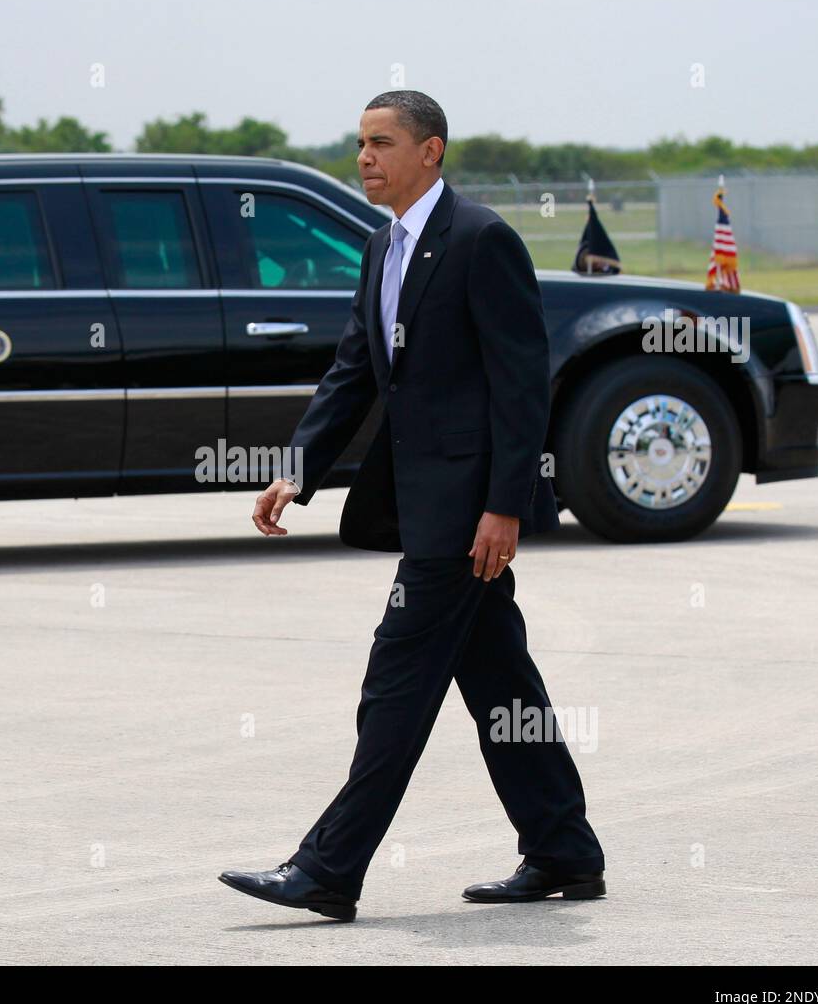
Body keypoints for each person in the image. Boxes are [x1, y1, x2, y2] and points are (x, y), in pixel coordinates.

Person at [219, 91, 605, 922]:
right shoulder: (380, 247)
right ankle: (563, 849)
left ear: (430, 152)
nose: (364, 157)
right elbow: (355, 368)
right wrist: (300, 466)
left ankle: (326, 868)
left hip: (465, 516)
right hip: (426, 507)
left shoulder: (480, 239)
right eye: (360, 142)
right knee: (503, 686)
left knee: (394, 685)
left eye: (382, 142)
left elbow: (520, 380)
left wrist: (504, 505)